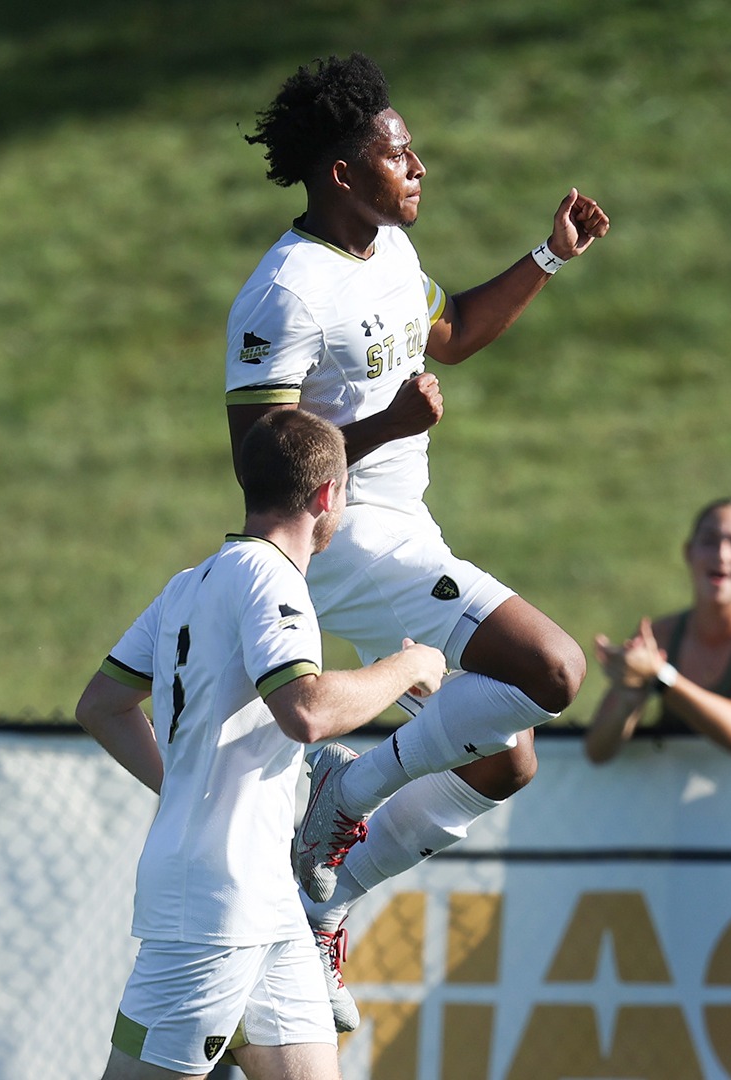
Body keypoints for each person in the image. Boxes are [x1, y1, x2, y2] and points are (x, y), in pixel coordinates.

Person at [223, 53, 609, 1031]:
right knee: (555, 670)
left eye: (414, 149)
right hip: (346, 545)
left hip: (407, 527)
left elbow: (458, 330)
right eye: (398, 154)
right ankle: (342, 791)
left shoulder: (388, 251)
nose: (419, 166)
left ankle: (325, 898)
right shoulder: (286, 291)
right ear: (343, 174)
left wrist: (550, 254)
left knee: (503, 763)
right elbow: (260, 462)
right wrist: (383, 430)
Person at [73, 410, 447, 1080]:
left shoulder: (188, 585)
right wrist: (407, 669)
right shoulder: (274, 578)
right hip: (212, 911)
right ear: (329, 495)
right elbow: (305, 712)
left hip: (265, 900)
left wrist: (186, 787)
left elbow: (102, 705)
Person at [582, 497, 731, 763]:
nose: (722, 554)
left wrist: (661, 675)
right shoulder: (661, 635)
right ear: (689, 553)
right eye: (709, 541)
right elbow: (596, 752)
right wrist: (628, 699)